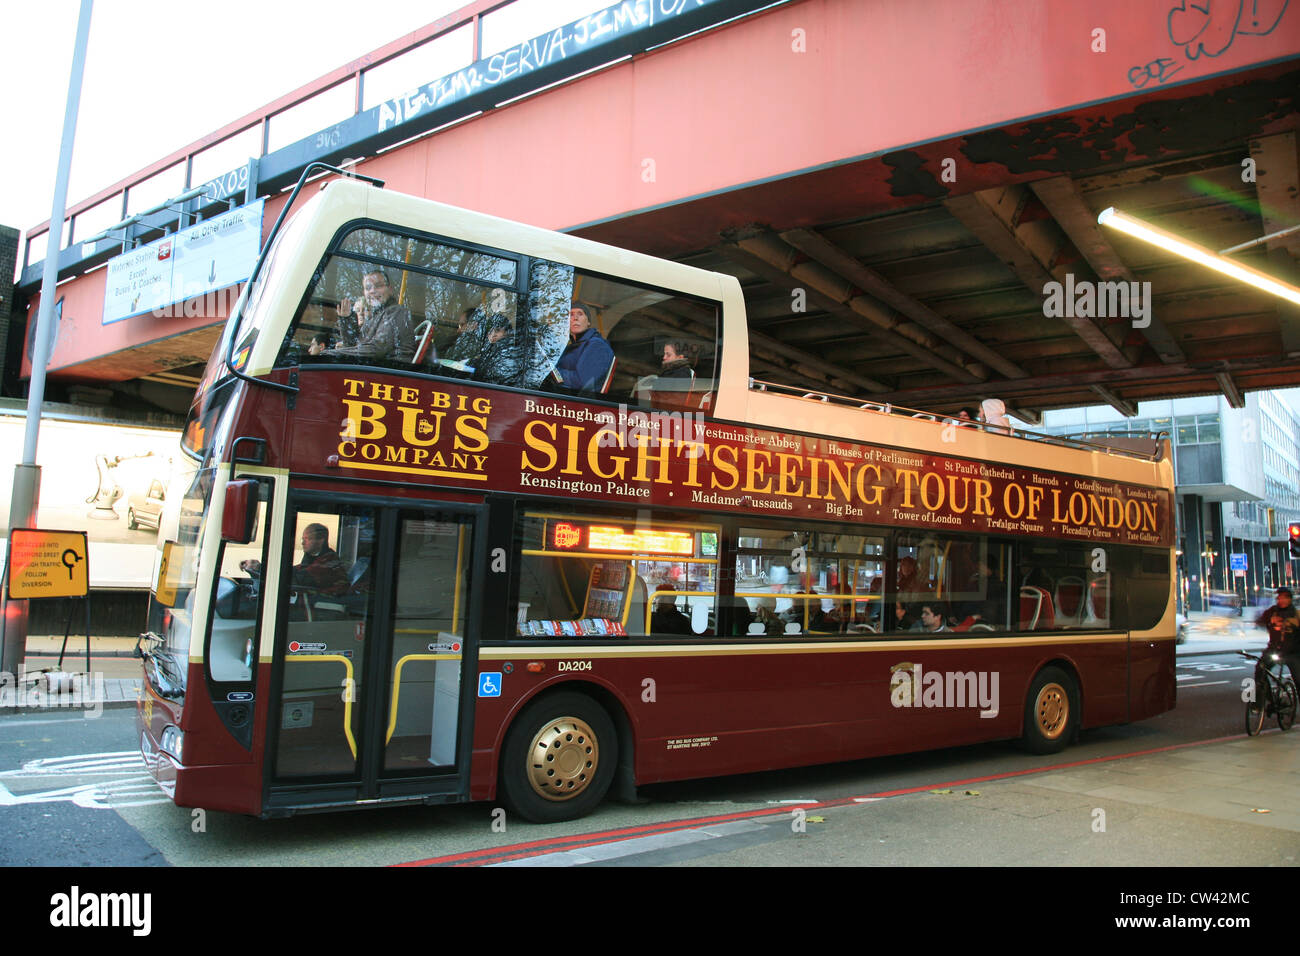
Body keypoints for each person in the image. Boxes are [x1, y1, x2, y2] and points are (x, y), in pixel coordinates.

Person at [310, 269, 415, 363]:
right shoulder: (375, 316)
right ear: (364, 293)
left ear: (390, 289)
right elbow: (355, 344)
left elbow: (377, 349)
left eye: (378, 286)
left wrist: (331, 354)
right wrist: (346, 320)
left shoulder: (396, 312)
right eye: (368, 288)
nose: (373, 291)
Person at [241, 523, 348, 596]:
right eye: (303, 539)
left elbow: (299, 578)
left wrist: (261, 567)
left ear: (321, 541)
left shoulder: (329, 561)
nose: (302, 543)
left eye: (308, 539)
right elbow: (297, 570)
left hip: (323, 605)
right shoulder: (314, 557)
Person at [552, 302, 615, 393]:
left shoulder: (596, 345)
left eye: (580, 314)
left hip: (580, 404)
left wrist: (554, 372)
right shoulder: (573, 346)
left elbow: (581, 381)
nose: (575, 318)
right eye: (571, 315)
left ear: (588, 321)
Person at [1256, 587, 1300, 689]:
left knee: (1298, 679)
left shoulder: (1296, 614)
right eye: (1279, 598)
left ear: (1290, 599)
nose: (1281, 600)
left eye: (1285, 598)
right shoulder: (1272, 611)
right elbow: (1260, 621)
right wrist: (1269, 621)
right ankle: (1262, 701)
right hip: (1274, 650)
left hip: (1292, 652)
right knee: (1260, 671)